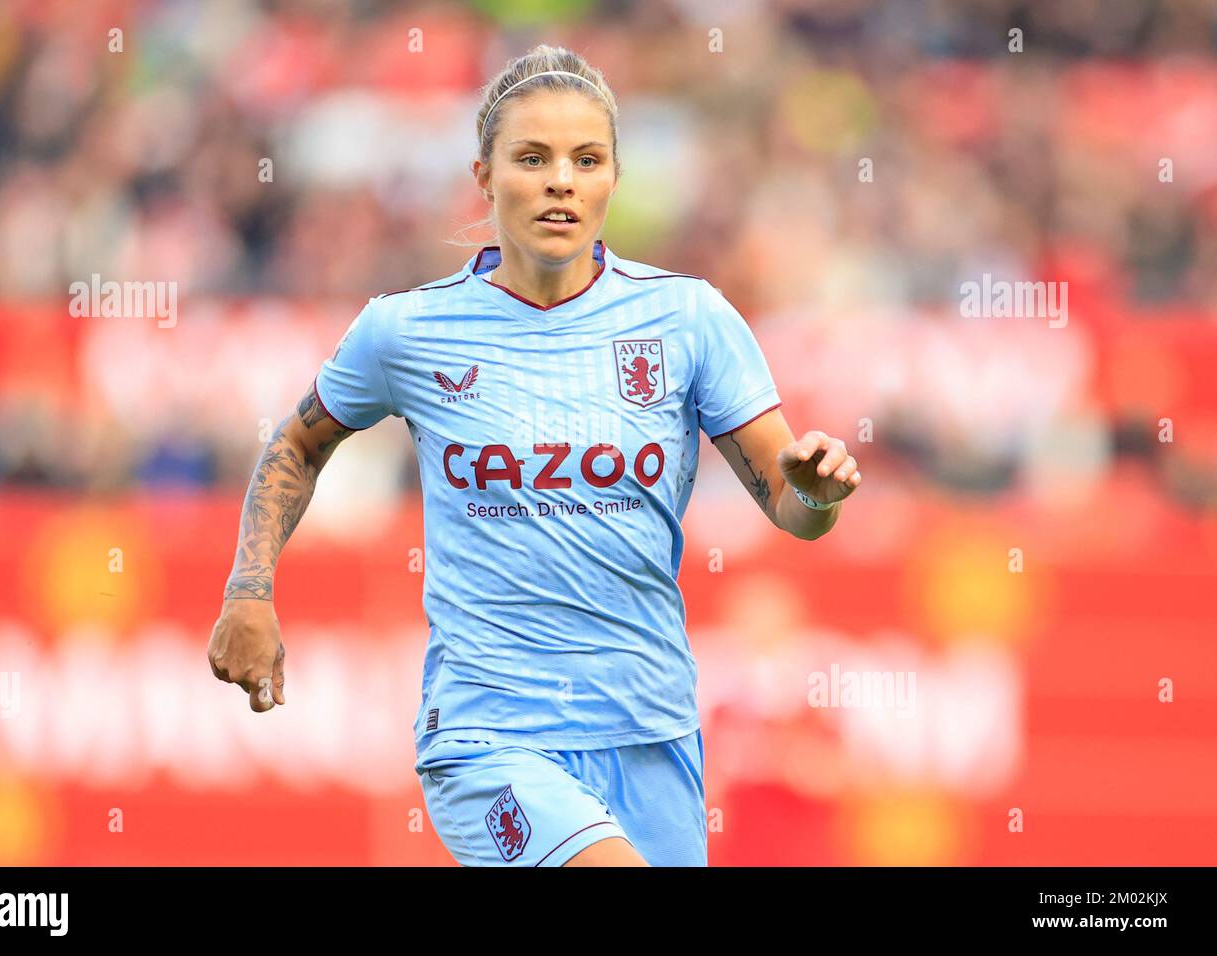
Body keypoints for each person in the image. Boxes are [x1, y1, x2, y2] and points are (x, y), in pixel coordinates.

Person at [207, 45, 861, 867]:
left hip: (650, 728)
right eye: (533, 158)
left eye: (586, 160)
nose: (562, 181)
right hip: (492, 733)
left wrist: (817, 494)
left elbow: (794, 513)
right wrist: (249, 590)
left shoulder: (689, 321)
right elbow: (299, 444)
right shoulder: (407, 331)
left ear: (614, 178)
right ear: (482, 175)